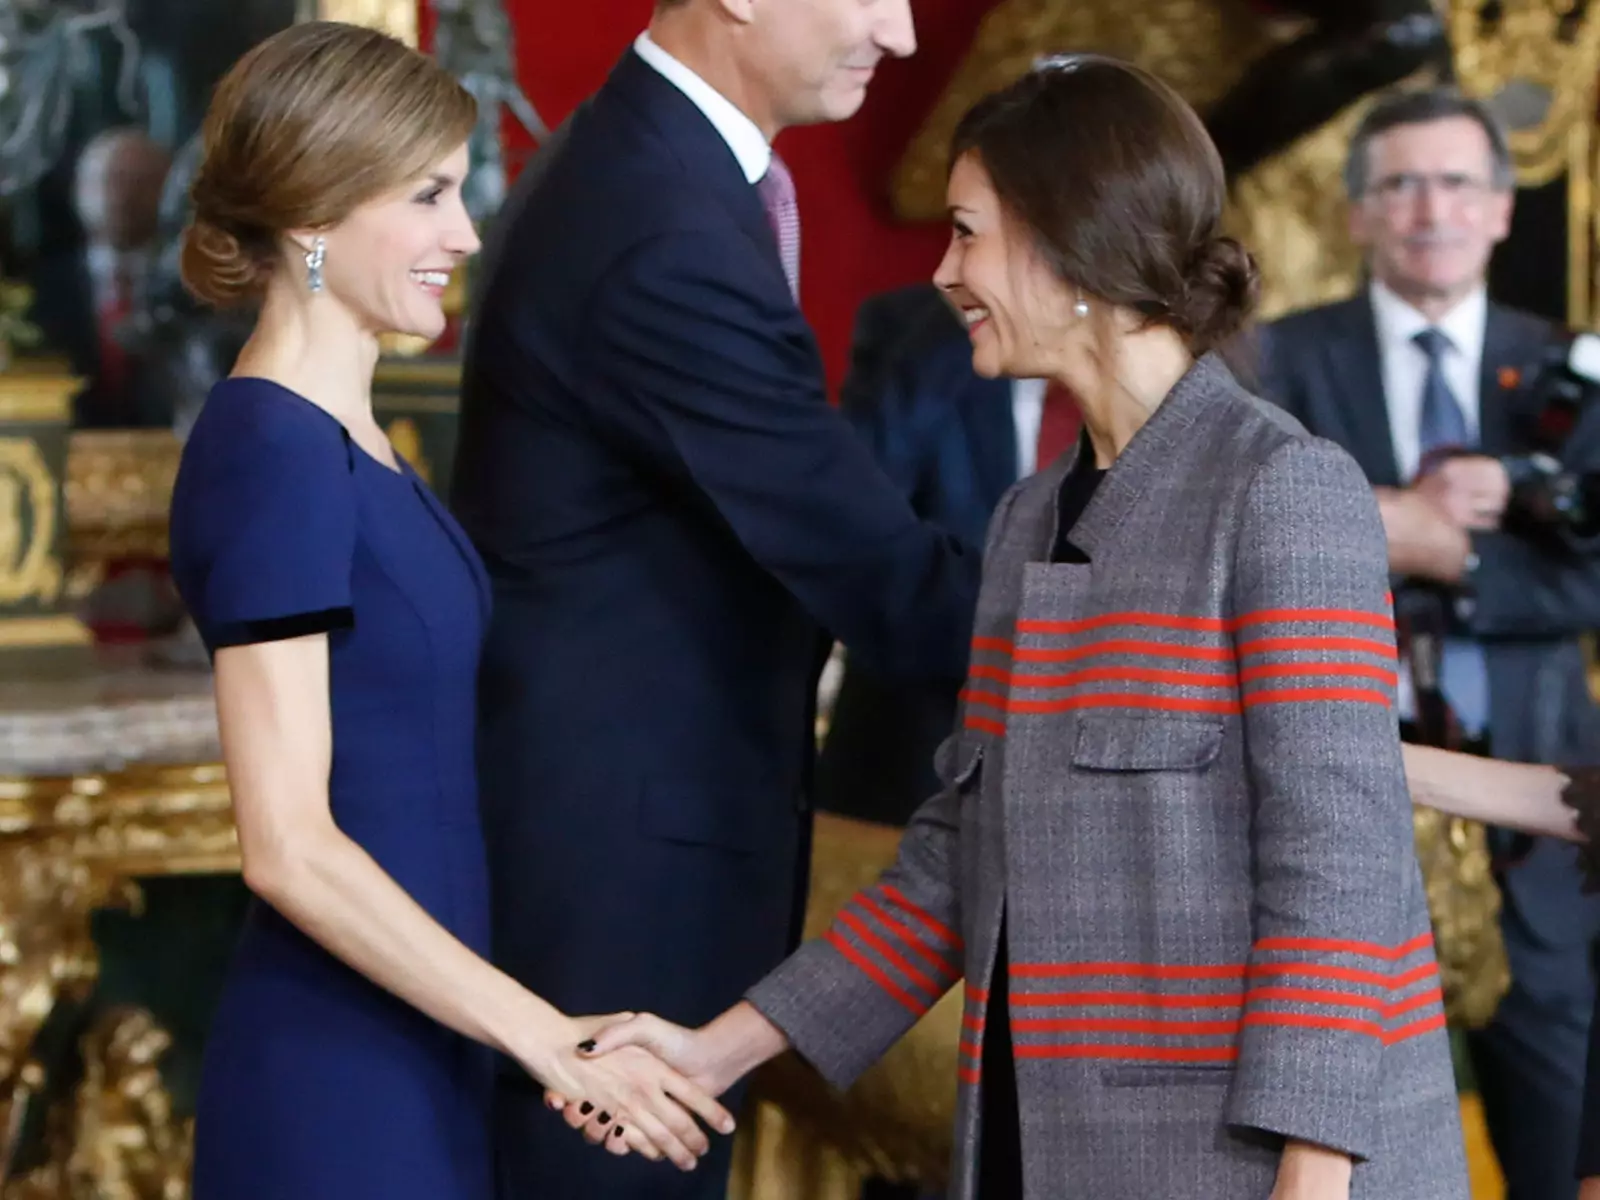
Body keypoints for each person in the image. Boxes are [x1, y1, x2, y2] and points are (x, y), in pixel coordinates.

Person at [563, 55, 1469, 1199]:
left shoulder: (1284, 486)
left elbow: (1339, 865)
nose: (943, 271)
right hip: (1032, 1146)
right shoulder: (1026, 520)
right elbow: (953, 861)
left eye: (966, 234)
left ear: (1067, 241)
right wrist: (714, 1049)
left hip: (1249, 1165)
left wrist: (1314, 1174)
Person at [165, 23, 730, 1200]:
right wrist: (545, 1036)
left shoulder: (348, 438)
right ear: (316, 216)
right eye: (427, 196)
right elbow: (288, 847)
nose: (464, 234)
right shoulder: (272, 445)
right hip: (336, 1079)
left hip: (420, 1048)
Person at [449, 2, 980, 1196]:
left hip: (623, 848)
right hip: (615, 891)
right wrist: (1167, 616)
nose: (898, 35)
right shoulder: (659, 223)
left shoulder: (652, 166)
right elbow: (883, 580)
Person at [1259, 87, 1600, 1200]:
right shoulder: (1272, 360)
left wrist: (1454, 555)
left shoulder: (1574, 369)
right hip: (1328, 831)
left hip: (1542, 840)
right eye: (1398, 183)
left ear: (1502, 210)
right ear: (1355, 213)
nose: (1429, 208)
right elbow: (1240, 543)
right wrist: (1382, 521)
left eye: (1457, 182)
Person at [816, 282, 1078, 828]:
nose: (946, 268)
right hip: (915, 781)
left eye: (967, 233)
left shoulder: (1173, 371)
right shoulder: (916, 335)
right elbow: (854, 521)